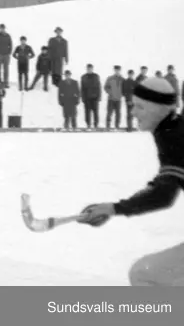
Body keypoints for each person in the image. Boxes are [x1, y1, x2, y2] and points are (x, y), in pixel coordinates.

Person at [77, 76, 184, 286]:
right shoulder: (172, 129)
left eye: (140, 107)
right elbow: (164, 184)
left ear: (158, 108)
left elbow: (163, 194)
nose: (133, 112)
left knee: (145, 275)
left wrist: (113, 208)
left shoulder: (175, 136)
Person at [80, 64, 102, 130]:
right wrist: (83, 98)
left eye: (90, 68)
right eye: (88, 68)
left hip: (95, 98)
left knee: (96, 112)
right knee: (87, 112)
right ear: (86, 69)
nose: (89, 70)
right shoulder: (83, 77)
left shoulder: (96, 76)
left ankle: (96, 125)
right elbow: (82, 89)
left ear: (92, 69)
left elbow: (99, 87)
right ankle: (88, 125)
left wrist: (99, 96)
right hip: (87, 98)